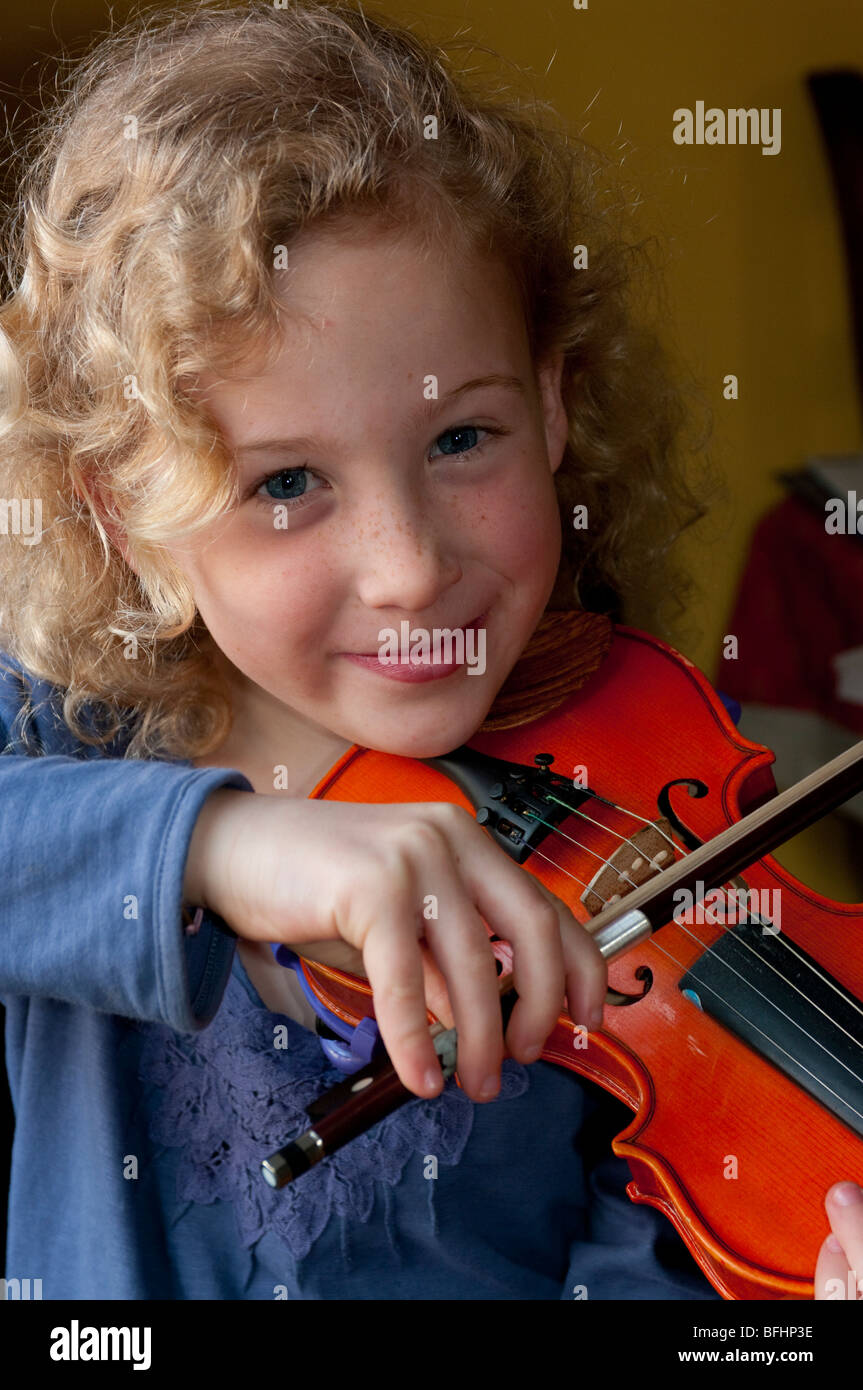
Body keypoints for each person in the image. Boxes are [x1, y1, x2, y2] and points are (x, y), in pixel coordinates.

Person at [0, 0, 858, 1301]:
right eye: (287, 481)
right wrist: (229, 843)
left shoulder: (631, 761)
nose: (410, 564)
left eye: (462, 440)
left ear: (555, 401)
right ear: (132, 521)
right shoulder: (60, 735)